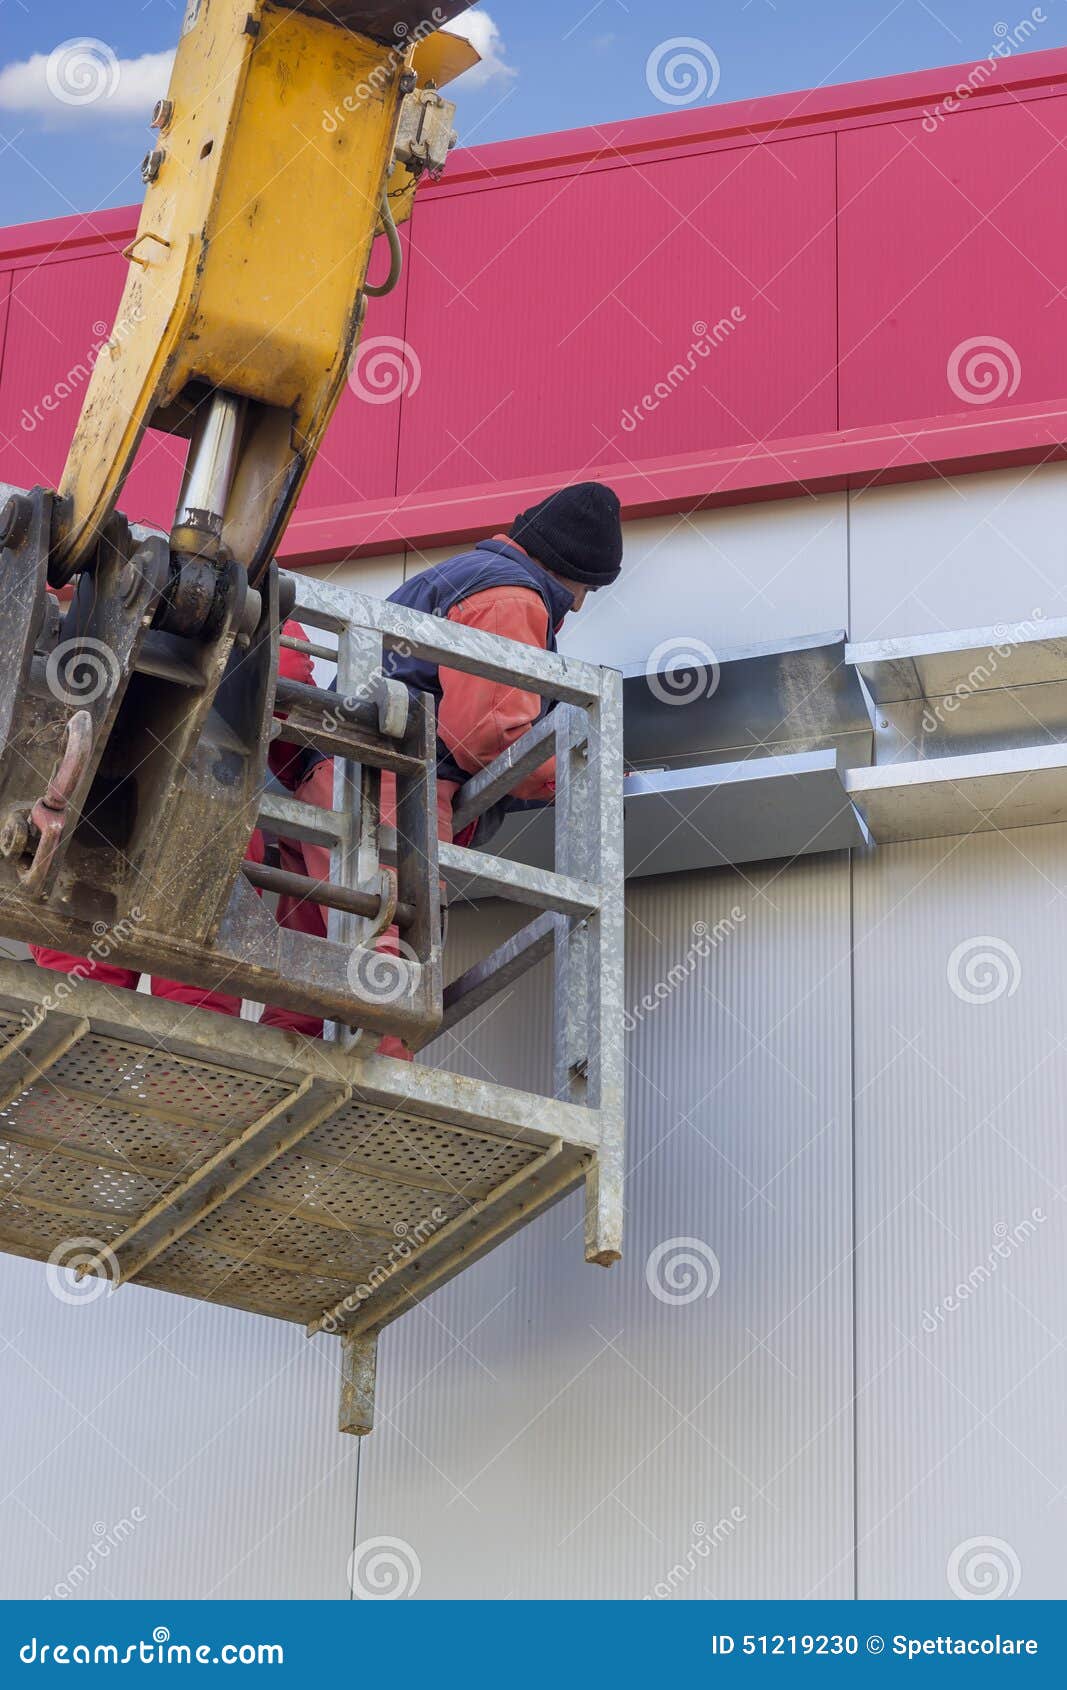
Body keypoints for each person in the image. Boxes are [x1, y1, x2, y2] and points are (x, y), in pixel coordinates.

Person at [259, 480, 625, 1049]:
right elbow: (490, 737)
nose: (578, 606)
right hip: (389, 795)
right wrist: (574, 772)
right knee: (387, 970)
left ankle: (273, 1099)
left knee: (312, 981)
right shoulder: (514, 598)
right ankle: (377, 1126)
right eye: (585, 590)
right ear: (575, 577)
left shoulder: (459, 574)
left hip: (329, 784)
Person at [29, 620, 315, 1016]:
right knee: (196, 992)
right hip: (210, 808)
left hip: (91, 803)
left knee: (78, 981)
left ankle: (64, 1054)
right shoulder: (258, 605)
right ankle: (190, 1076)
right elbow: (291, 688)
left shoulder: (94, 579)